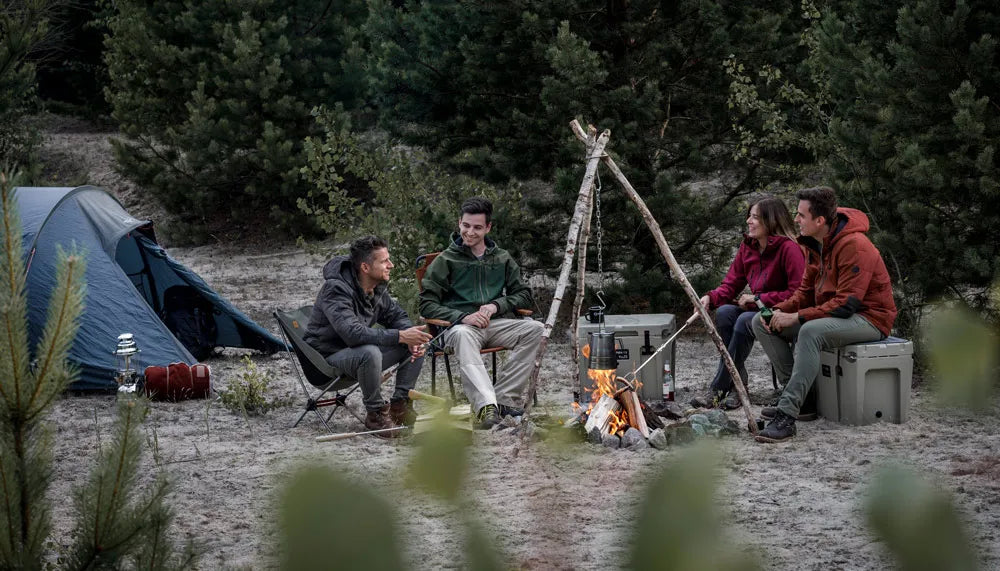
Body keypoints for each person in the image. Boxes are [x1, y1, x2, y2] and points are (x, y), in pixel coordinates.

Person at [752, 186, 896, 443]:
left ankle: (787, 416)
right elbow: (804, 293)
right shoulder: (814, 244)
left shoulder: (855, 245)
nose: (795, 220)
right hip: (837, 317)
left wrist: (797, 317)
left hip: (870, 318)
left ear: (819, 221)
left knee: (810, 330)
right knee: (761, 322)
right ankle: (802, 400)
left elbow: (846, 304)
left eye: (801, 216)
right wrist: (779, 311)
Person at [418, 197, 544, 429]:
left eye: (477, 227)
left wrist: (496, 305)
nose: (470, 232)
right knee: (465, 335)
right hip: (459, 329)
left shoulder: (502, 258)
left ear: (488, 228)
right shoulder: (446, 260)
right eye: (466, 226)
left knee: (536, 329)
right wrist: (463, 317)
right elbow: (426, 305)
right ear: (459, 223)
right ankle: (486, 406)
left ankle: (504, 398)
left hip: (494, 324)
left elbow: (524, 295)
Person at [303, 235, 432, 437]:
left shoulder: (376, 288)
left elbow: (398, 316)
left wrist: (408, 336)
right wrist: (399, 335)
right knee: (371, 351)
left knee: (417, 339)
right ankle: (375, 414)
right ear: (365, 267)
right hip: (325, 362)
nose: (391, 265)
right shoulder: (336, 289)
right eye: (384, 261)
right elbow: (353, 334)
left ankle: (399, 405)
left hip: (356, 355)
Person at [691, 196, 806, 410]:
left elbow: (797, 292)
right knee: (725, 312)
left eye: (755, 218)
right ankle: (737, 386)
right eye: (749, 216)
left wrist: (758, 299)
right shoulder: (749, 247)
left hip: (784, 312)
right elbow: (731, 283)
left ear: (770, 221)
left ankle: (720, 387)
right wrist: (710, 297)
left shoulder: (789, 249)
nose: (749, 222)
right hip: (758, 308)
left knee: (744, 318)